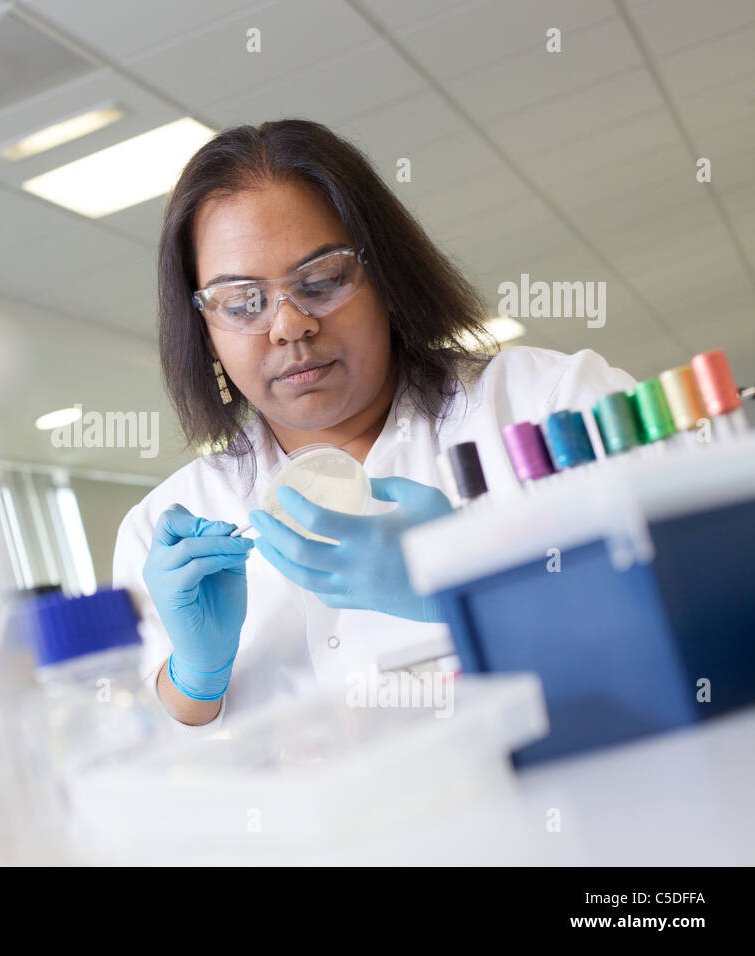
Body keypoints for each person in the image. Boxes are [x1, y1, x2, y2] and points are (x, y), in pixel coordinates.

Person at [112, 119, 634, 730]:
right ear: (204, 327)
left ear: (384, 273)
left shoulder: (551, 405)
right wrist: (194, 683)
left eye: (323, 280)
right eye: (242, 302)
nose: (289, 325)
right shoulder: (167, 528)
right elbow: (152, 783)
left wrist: (463, 584)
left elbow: (700, 609)